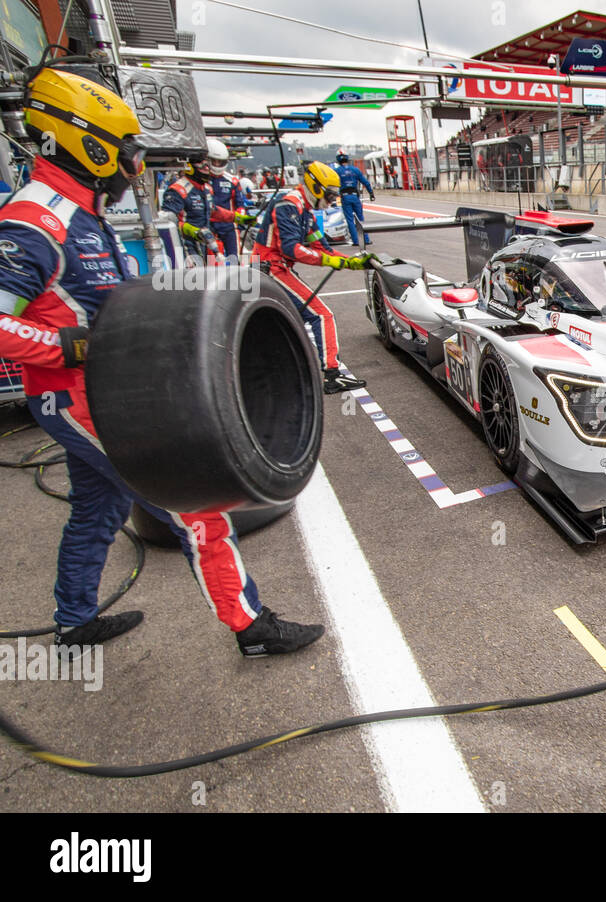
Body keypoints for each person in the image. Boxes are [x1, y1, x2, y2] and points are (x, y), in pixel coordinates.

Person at [0, 66, 324, 655]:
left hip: (105, 390)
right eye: (126, 151)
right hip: (79, 397)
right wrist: (66, 346)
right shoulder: (35, 219)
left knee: (99, 509)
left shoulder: (82, 210)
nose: (133, 166)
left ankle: (73, 623)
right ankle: (250, 627)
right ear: (86, 141)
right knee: (196, 504)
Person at [252, 160, 370, 394]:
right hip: (270, 267)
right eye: (329, 196)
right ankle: (333, 376)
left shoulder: (304, 210)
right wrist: (330, 260)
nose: (330, 201)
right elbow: (291, 249)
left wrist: (351, 262)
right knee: (321, 314)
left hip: (277, 267)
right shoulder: (288, 205)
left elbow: (323, 248)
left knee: (297, 317)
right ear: (316, 188)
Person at [162, 137, 255, 261]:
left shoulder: (206, 189)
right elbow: (167, 222)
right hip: (185, 246)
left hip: (203, 243)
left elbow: (213, 211)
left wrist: (238, 218)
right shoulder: (178, 190)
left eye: (207, 165)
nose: (207, 168)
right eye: (202, 165)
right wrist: (191, 230)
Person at [207, 139, 253, 258]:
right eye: (214, 161)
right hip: (208, 225)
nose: (217, 164)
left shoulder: (232, 180)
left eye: (220, 162)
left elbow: (240, 204)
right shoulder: (201, 179)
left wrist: (240, 218)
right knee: (211, 261)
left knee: (234, 259)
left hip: (229, 225)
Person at [332, 149, 375, 247]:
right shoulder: (355, 170)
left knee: (350, 220)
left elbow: (331, 185)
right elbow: (365, 182)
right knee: (361, 218)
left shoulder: (336, 171)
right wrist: (371, 193)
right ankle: (366, 239)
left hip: (345, 197)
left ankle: (356, 241)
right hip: (355, 197)